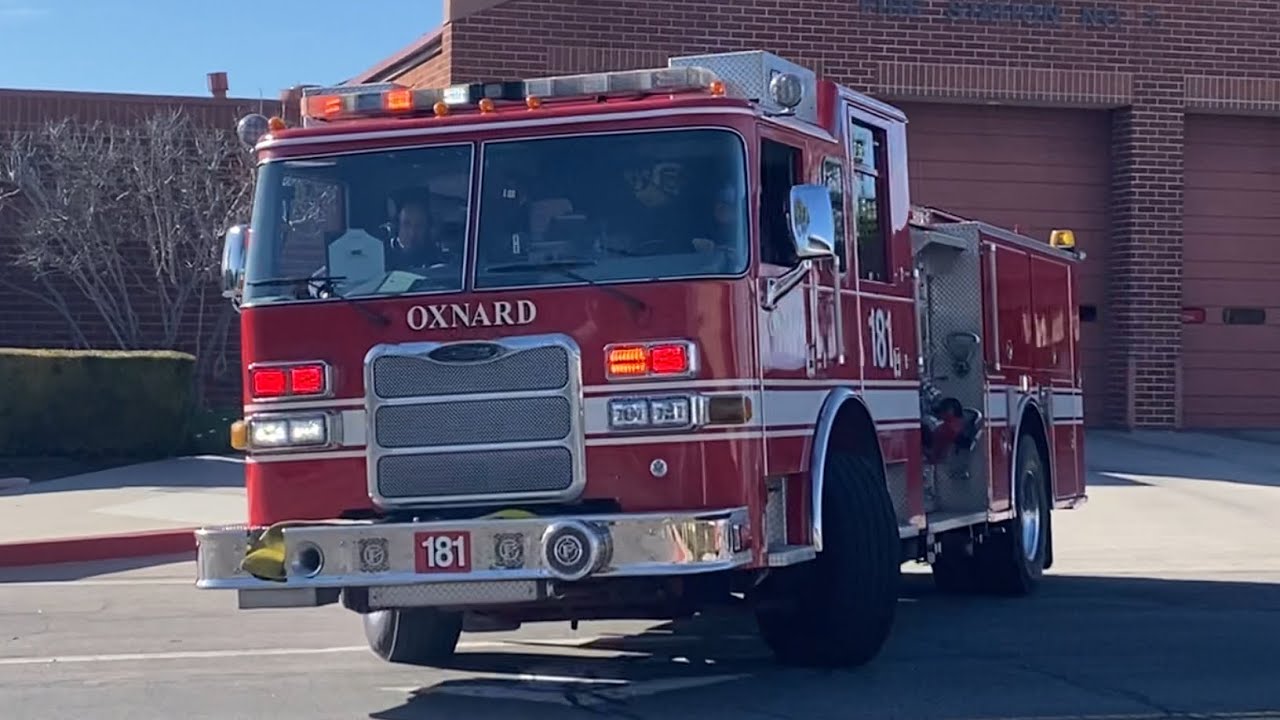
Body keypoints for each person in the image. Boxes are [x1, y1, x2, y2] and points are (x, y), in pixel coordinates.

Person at [387, 195, 456, 270]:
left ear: (427, 229)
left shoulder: (439, 262)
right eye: (406, 224)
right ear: (397, 225)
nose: (412, 233)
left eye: (419, 225)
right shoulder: (383, 256)